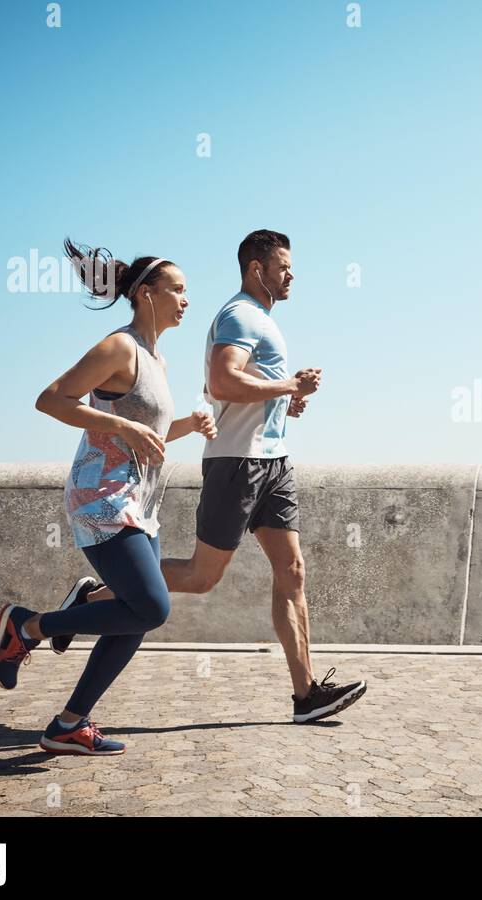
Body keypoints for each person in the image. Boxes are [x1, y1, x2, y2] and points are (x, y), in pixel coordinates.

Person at [53, 229, 366, 724]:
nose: (291, 274)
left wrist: (285, 399)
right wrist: (288, 384)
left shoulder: (256, 321)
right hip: (237, 462)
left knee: (293, 570)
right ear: (256, 269)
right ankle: (92, 599)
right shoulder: (239, 314)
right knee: (202, 578)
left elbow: (231, 388)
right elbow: (222, 381)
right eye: (283, 266)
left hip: (274, 463)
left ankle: (306, 695)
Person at [0, 239, 216, 755]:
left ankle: (69, 723)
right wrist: (120, 425)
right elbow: (51, 399)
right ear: (145, 293)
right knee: (152, 608)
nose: (186, 300)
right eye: (177, 290)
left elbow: (142, 432)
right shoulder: (119, 347)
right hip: (101, 499)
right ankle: (28, 625)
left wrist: (187, 424)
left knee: (135, 616)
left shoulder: (156, 357)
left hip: (140, 504)